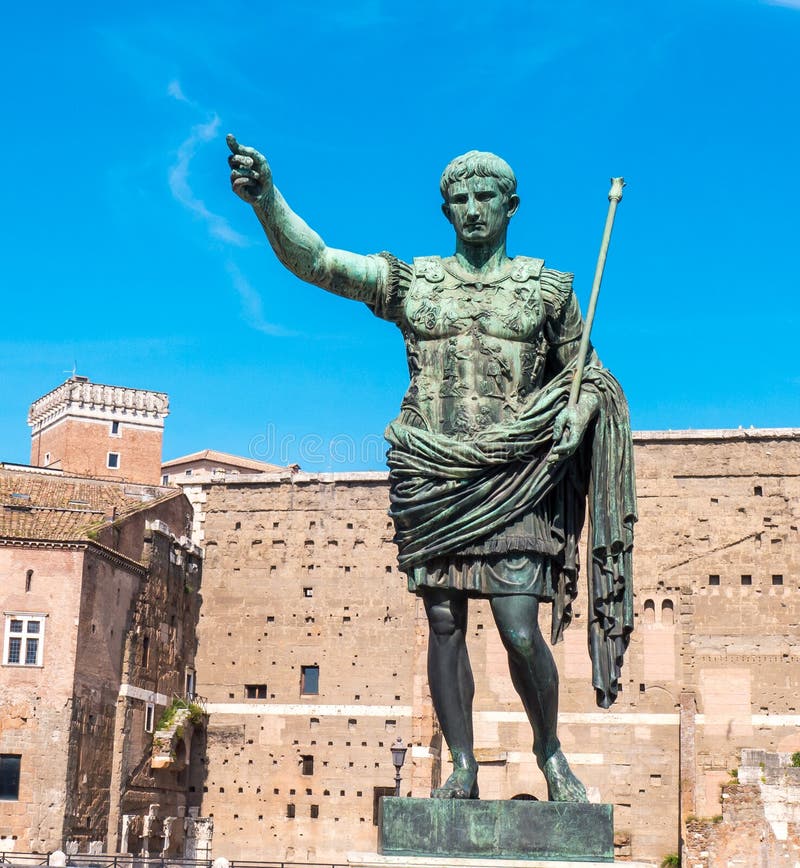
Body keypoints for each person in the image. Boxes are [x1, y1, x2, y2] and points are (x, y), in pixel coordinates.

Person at [227, 136, 636, 802]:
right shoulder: (414, 285)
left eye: (485, 197)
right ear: (446, 210)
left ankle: (550, 752)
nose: (473, 209)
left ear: (511, 206)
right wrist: (267, 200)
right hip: (432, 478)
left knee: (519, 629)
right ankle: (464, 767)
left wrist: (582, 410)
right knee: (444, 625)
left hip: (515, 479)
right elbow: (320, 262)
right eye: (460, 199)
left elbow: (588, 374)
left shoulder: (547, 290)